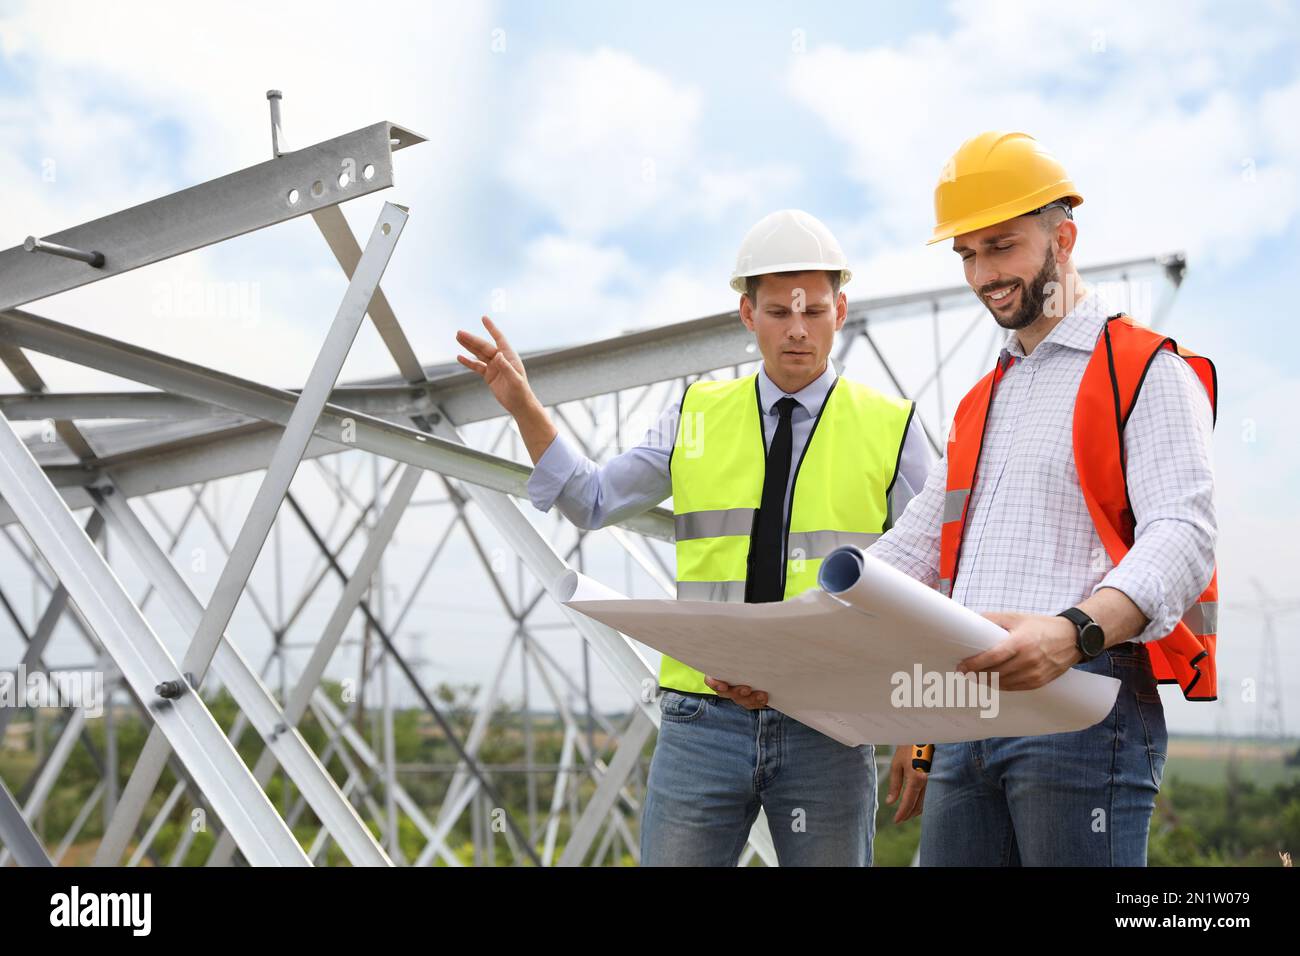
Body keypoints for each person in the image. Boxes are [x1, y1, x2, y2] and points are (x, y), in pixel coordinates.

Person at [455, 209, 934, 866]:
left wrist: (919, 728)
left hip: (829, 723)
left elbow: (934, 579)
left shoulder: (895, 428)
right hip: (701, 720)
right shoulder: (695, 415)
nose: (797, 330)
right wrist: (523, 407)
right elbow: (591, 500)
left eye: (814, 311)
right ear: (747, 314)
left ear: (840, 310)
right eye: (777, 312)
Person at [867, 130, 1219, 865]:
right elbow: (914, 557)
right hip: (966, 713)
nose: (982, 274)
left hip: (1083, 707)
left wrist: (1071, 633)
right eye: (967, 254)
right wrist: (787, 640)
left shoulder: (1146, 371)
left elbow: (1182, 535)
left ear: (1064, 237)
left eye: (1002, 247)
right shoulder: (979, 404)